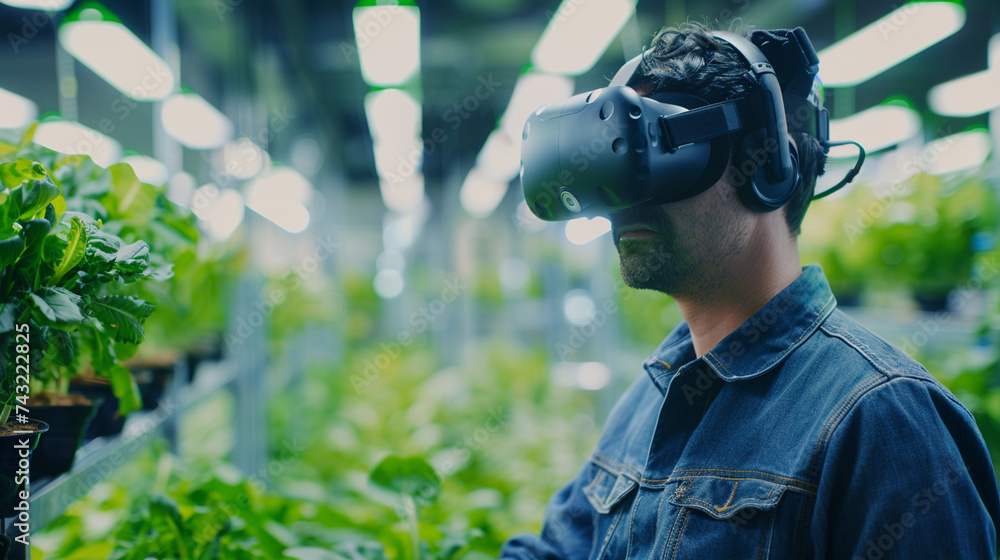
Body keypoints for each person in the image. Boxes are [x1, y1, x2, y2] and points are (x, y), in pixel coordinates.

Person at [500, 22, 1000, 559]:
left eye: (656, 154)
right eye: (617, 164)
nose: (627, 199)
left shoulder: (882, 419)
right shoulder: (652, 395)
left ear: (768, 165)